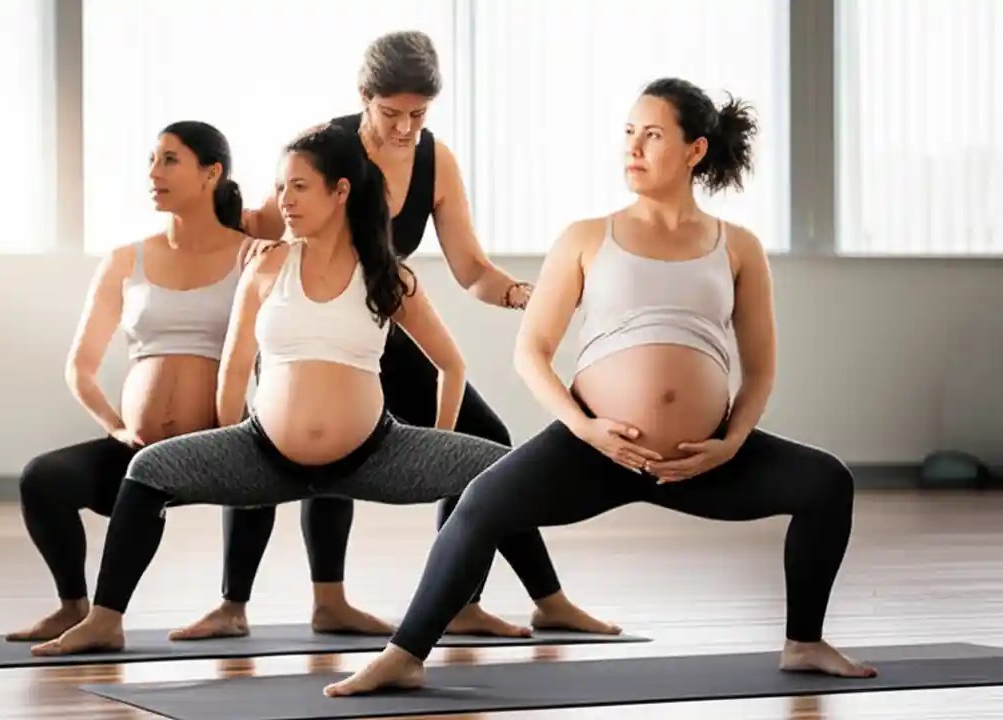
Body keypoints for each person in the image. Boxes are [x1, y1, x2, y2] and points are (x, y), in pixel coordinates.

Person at [324, 78, 879, 697]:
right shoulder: (587, 236)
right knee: (479, 503)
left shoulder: (739, 247)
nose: (633, 148)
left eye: (652, 135)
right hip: (593, 451)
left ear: (695, 150)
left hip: (703, 459)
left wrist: (732, 441)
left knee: (827, 482)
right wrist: (587, 428)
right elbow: (531, 353)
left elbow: (761, 367)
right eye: (627, 133)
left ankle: (804, 643)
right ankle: (405, 653)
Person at [29, 122, 602, 657]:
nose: (284, 201)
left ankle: (505, 606)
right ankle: (103, 619)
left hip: (375, 455)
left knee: (498, 471)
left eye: (299, 187)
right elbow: (233, 372)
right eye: (281, 188)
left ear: (340, 192)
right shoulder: (265, 267)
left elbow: (450, 365)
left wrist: (436, 439)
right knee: (147, 470)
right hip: (266, 454)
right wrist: (230, 442)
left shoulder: (387, 275)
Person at [174, 29, 611, 642]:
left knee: (486, 439)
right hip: (306, 326)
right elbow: (269, 223)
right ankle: (240, 604)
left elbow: (472, 270)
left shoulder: (435, 160)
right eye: (392, 114)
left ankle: (492, 597)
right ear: (364, 96)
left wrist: (523, 295)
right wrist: (211, 207)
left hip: (373, 325)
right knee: (279, 443)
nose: (406, 128)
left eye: (419, 114)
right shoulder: (326, 148)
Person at [6, 121, 255, 642]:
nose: (153, 173)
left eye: (169, 160)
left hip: (216, 444)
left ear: (212, 173)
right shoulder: (126, 259)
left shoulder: (251, 255)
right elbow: (81, 365)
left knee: (264, 463)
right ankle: (75, 607)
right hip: (138, 448)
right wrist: (115, 426)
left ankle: (233, 608)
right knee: (41, 478)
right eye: (151, 159)